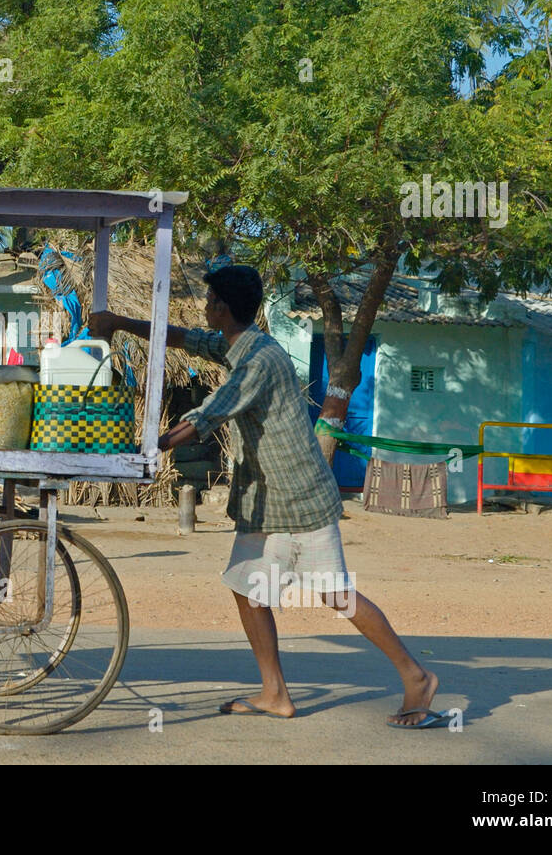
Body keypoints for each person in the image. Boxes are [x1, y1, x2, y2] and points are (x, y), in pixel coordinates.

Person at [87, 263, 444, 728]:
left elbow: (210, 411)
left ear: (223, 307)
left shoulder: (259, 360)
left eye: (211, 300)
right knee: (246, 586)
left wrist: (148, 447)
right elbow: (184, 338)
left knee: (336, 595)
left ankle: (416, 676)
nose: (206, 307)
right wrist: (120, 323)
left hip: (298, 498)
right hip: (265, 500)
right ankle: (275, 692)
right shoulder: (241, 343)